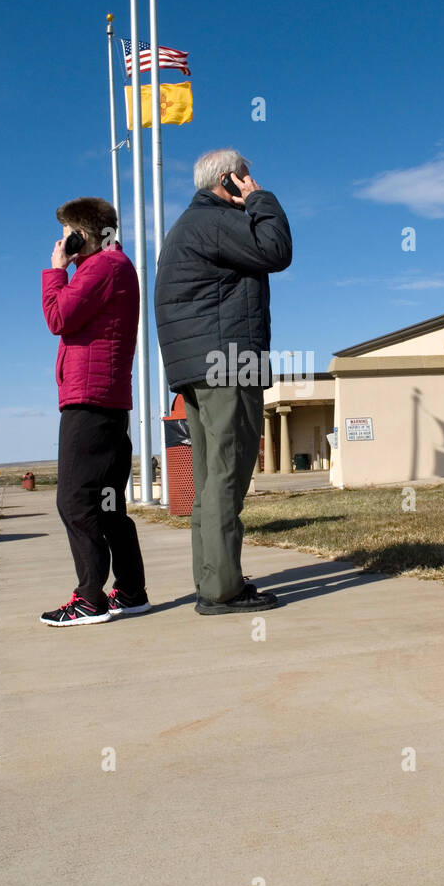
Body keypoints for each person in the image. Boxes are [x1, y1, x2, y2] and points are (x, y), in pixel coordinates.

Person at [154, 149, 293, 614]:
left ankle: (213, 580)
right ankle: (221, 591)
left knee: (212, 477)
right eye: (248, 176)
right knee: (228, 478)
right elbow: (276, 250)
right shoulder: (214, 221)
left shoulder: (188, 226)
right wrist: (261, 200)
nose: (253, 182)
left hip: (199, 367)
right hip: (228, 364)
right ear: (230, 179)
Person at [40, 197, 150, 626]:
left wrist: (56, 269)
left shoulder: (102, 267)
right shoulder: (114, 266)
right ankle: (131, 590)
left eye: (68, 233)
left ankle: (90, 598)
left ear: (80, 235)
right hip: (106, 401)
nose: (62, 241)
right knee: (106, 504)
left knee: (74, 501)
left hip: (89, 402)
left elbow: (57, 317)